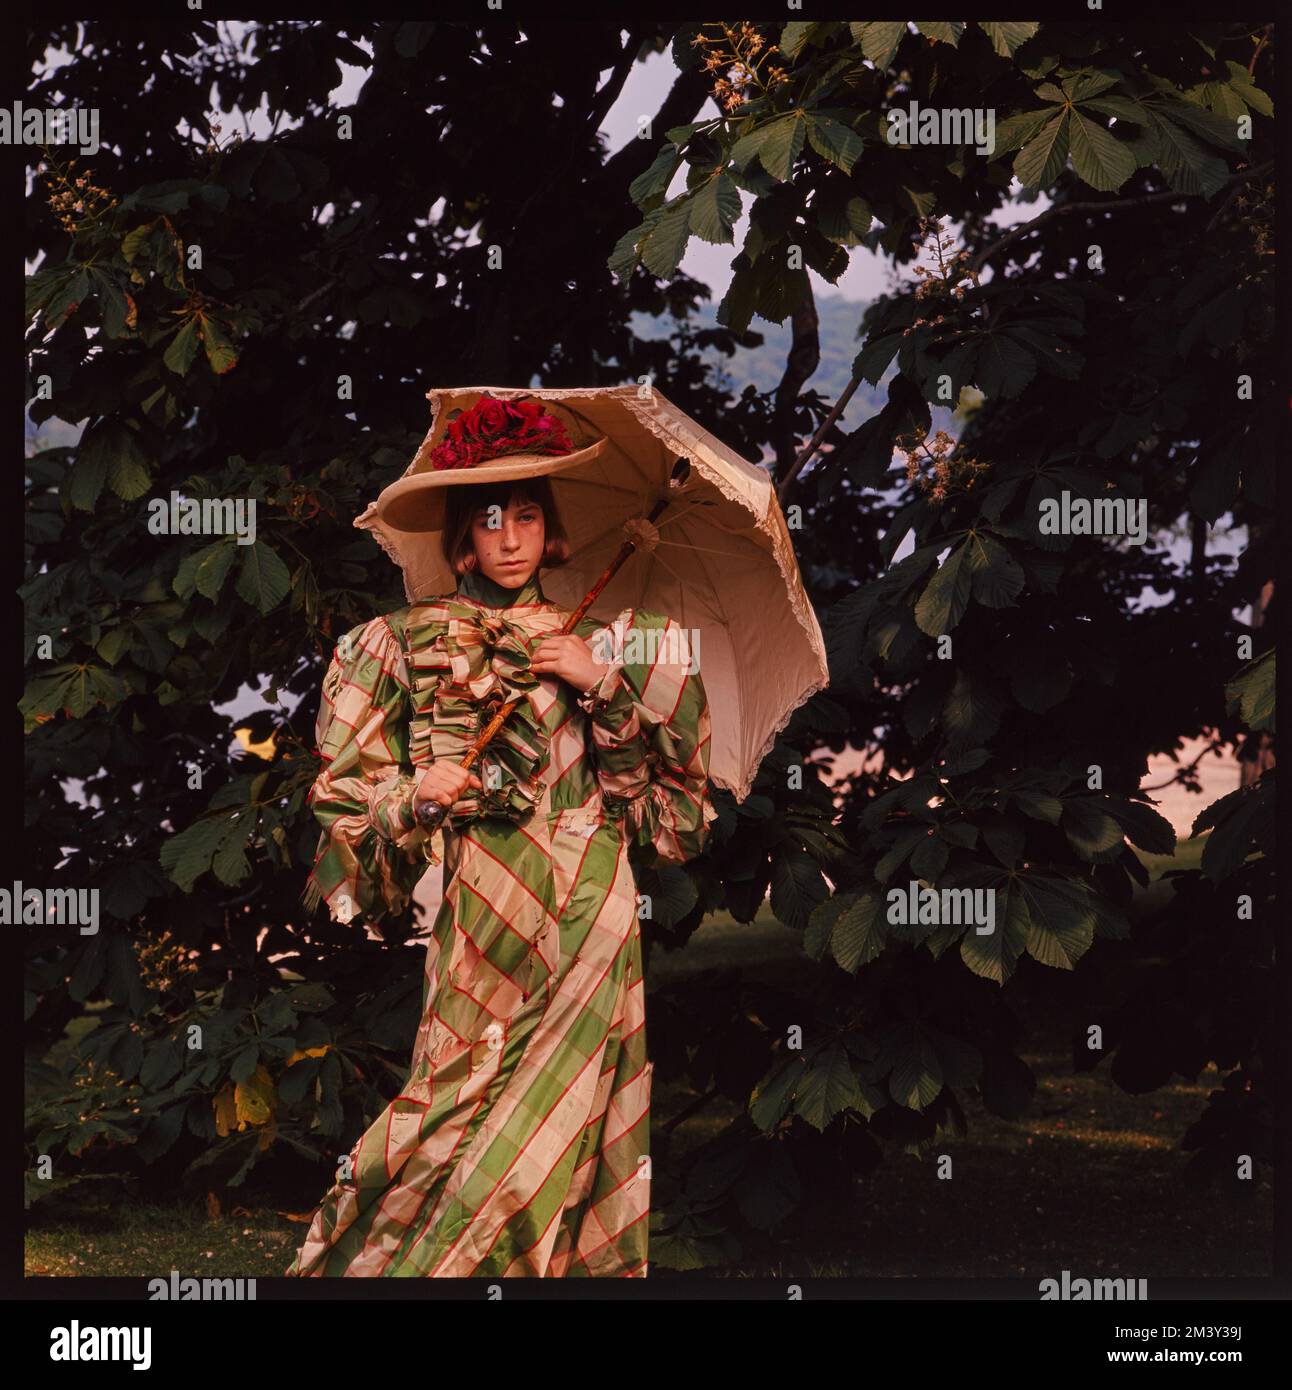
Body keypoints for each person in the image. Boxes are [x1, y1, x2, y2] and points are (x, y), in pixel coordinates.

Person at [286, 466, 715, 1277]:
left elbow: (653, 804)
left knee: (576, 1098)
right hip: (483, 897)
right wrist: (415, 796)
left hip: (596, 898)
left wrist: (604, 691)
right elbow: (341, 794)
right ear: (462, 537)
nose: (511, 537)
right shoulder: (399, 642)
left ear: (550, 531)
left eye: (527, 516)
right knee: (452, 1089)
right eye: (491, 520)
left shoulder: (602, 640)